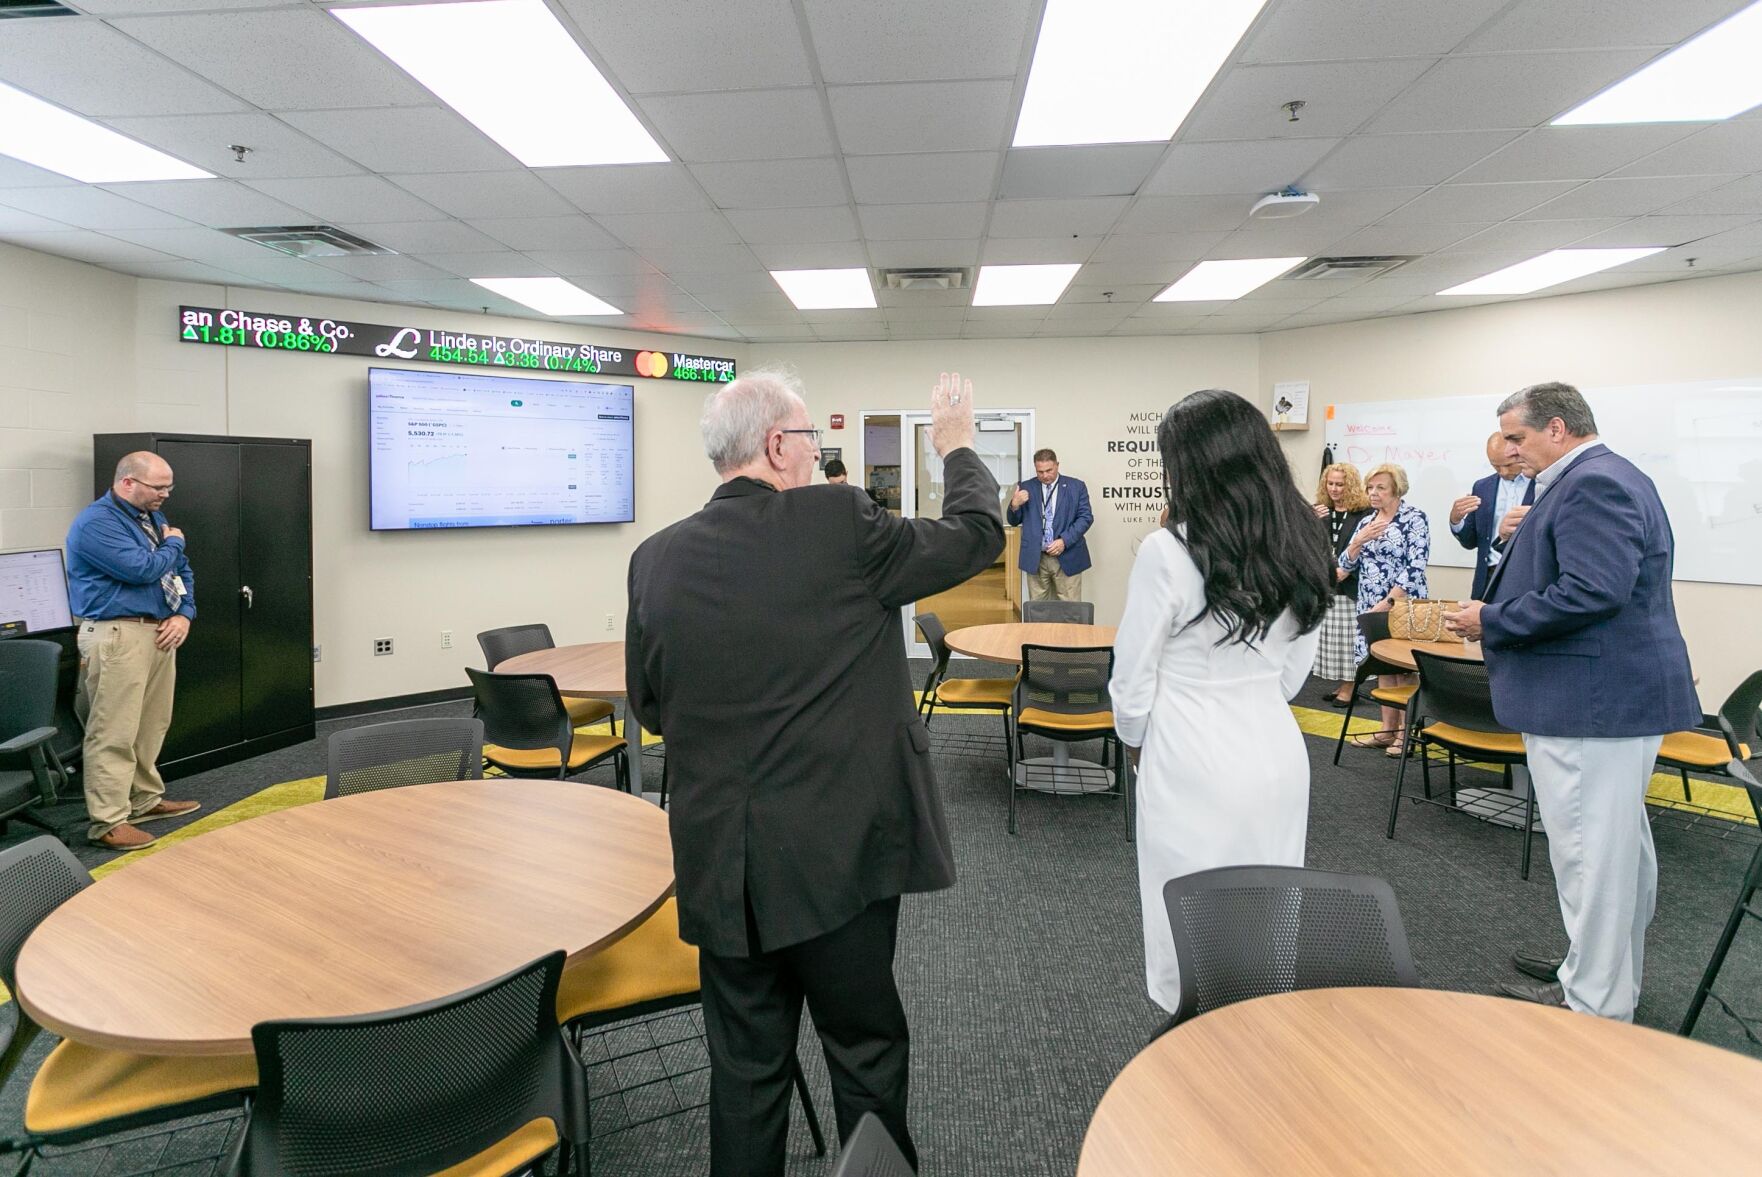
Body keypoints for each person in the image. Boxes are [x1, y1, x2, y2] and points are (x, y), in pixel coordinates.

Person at [625, 367, 1003, 1174]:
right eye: (808, 437)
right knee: (864, 1050)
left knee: (745, 1072)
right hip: (838, 862)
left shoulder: (653, 560)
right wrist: (955, 445)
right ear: (776, 445)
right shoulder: (841, 522)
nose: (813, 452)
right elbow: (977, 532)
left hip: (722, 869)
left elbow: (652, 708)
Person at [1444, 382, 1697, 1020]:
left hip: (1590, 701)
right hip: (1602, 697)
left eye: (1517, 437)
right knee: (1615, 858)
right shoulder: (1595, 478)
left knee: (1591, 860)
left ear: (1556, 429)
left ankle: (1595, 1009)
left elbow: (1591, 592)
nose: (1509, 450)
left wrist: (1490, 619)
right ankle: (1597, 978)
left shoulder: (1593, 483)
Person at [1111, 389, 1332, 1014]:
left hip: (1190, 748)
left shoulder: (1169, 549)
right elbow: (1294, 673)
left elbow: (1132, 678)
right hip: (1276, 746)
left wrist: (1136, 743)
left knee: (1186, 907)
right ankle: (1256, 1029)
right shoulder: (1305, 540)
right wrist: (1252, 693)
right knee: (1271, 903)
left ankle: (1193, 1037)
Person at [64, 452, 202, 851]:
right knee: (114, 731)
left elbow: (180, 570)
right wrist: (173, 542)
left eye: (169, 487)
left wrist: (185, 614)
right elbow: (142, 569)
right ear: (127, 482)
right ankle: (108, 822)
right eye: (158, 487)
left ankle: (143, 800)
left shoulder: (150, 518)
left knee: (150, 725)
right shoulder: (98, 523)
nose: (165, 494)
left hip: (158, 631)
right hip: (117, 633)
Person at [1338, 463, 1430, 756]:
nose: (1373, 493)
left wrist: (1388, 602)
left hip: (1402, 603)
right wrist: (1358, 542)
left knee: (1404, 670)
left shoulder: (1414, 518)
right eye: (1370, 487)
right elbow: (1345, 566)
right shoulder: (1367, 521)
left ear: (1396, 490)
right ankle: (1387, 731)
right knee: (1382, 666)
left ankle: (1405, 735)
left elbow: (1416, 566)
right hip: (1369, 604)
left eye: (1380, 487)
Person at [1311, 462, 1373, 706]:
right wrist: (1311, 520)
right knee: (1333, 641)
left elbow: (1367, 550)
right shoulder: (1321, 511)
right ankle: (1343, 684)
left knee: (1349, 640)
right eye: (1330, 483)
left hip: (1351, 587)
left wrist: (1347, 570)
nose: (1334, 489)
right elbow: (1311, 544)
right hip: (1327, 585)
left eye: (1340, 484)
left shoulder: (1364, 513)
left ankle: (1350, 687)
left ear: (1352, 485)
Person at [1450, 431, 1533, 600]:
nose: (1503, 472)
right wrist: (1456, 520)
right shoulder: (1482, 487)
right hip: (1488, 577)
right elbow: (1470, 541)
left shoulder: (1542, 483)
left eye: (1508, 465)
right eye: (1496, 466)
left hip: (1526, 577)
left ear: (1519, 453)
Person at [1006, 448, 1092, 600]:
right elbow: (1013, 521)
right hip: (1036, 557)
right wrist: (1014, 505)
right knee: (1037, 607)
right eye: (1040, 472)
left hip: (1067, 554)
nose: (1045, 475)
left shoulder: (1076, 486)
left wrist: (1064, 541)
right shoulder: (1026, 487)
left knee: (1071, 607)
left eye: (1049, 470)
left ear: (1057, 465)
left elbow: (1085, 518)